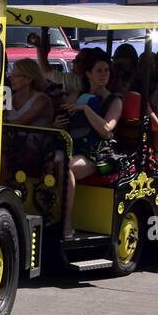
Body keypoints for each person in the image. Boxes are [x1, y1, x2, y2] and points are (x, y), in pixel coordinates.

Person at [54, 50, 122, 240]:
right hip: (73, 146)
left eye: (107, 70)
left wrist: (86, 109)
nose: (104, 74)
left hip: (98, 153)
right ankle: (49, 214)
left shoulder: (114, 100)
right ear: (88, 74)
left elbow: (107, 130)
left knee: (66, 167)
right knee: (54, 159)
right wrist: (58, 124)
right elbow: (66, 120)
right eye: (99, 70)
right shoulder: (77, 94)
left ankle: (66, 223)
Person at [3, 59, 55, 127]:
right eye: (11, 75)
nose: (10, 78)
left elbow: (19, 123)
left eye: (15, 75)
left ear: (28, 79)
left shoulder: (41, 100)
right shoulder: (10, 98)